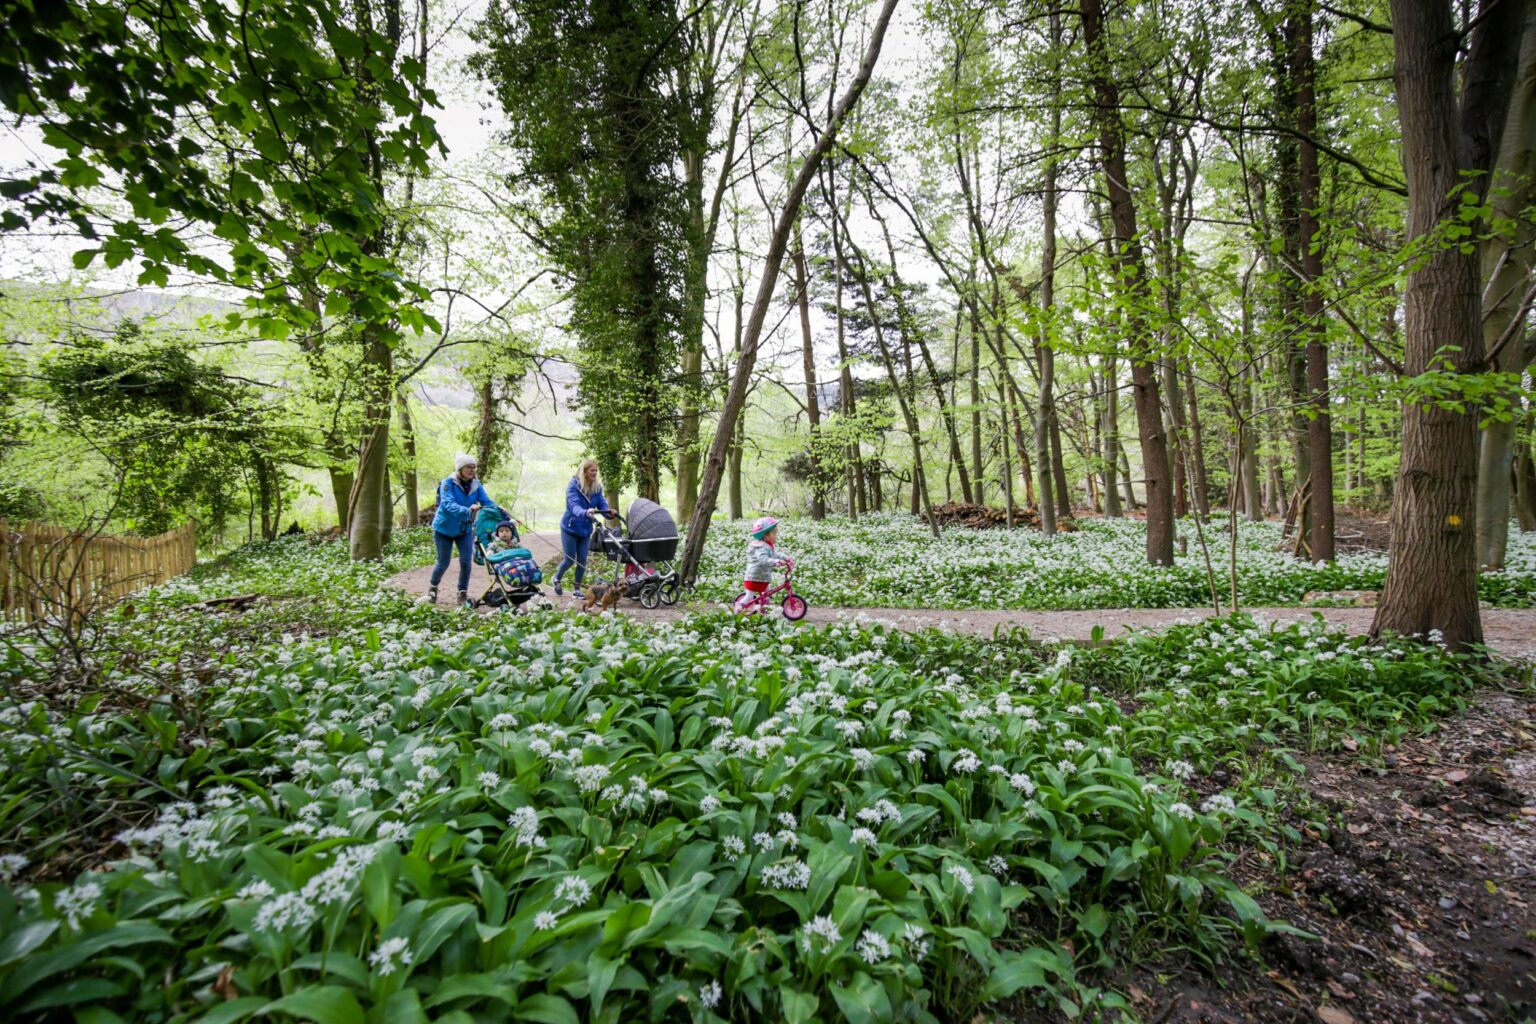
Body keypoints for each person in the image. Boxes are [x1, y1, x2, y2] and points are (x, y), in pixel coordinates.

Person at [427, 453, 494, 607]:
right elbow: (447, 505)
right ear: (460, 469)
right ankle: (433, 588)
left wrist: (500, 511)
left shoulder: (476, 485)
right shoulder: (448, 483)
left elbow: (487, 502)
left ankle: (462, 594)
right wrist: (468, 510)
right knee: (443, 562)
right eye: (468, 467)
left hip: (464, 530)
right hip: (444, 529)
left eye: (474, 467)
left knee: (466, 562)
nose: (472, 470)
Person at [553, 457, 615, 599]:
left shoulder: (597, 487)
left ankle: (577, 589)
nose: (595, 473)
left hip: (585, 530)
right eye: (592, 470)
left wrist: (609, 512)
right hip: (570, 528)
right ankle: (556, 578)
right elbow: (574, 506)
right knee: (569, 559)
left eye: (596, 471)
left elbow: (602, 504)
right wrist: (585, 512)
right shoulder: (573, 486)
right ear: (584, 471)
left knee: (582, 560)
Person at [735, 516, 786, 613]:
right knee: (749, 596)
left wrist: (786, 558)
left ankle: (764, 610)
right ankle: (738, 608)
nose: (776, 535)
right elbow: (763, 559)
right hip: (754, 577)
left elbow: (774, 554)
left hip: (763, 577)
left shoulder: (768, 546)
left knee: (767, 593)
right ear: (766, 535)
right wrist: (776, 562)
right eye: (774, 533)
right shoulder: (760, 547)